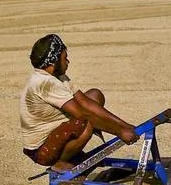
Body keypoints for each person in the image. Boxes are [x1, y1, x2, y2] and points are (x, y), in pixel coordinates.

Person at [20, 34, 138, 172]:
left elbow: (85, 102)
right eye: (65, 58)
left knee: (95, 95)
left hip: (55, 132)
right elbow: (82, 114)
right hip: (40, 150)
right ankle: (60, 162)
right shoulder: (45, 83)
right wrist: (119, 132)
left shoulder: (59, 76)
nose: (68, 62)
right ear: (53, 62)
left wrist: (124, 125)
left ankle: (70, 152)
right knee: (85, 123)